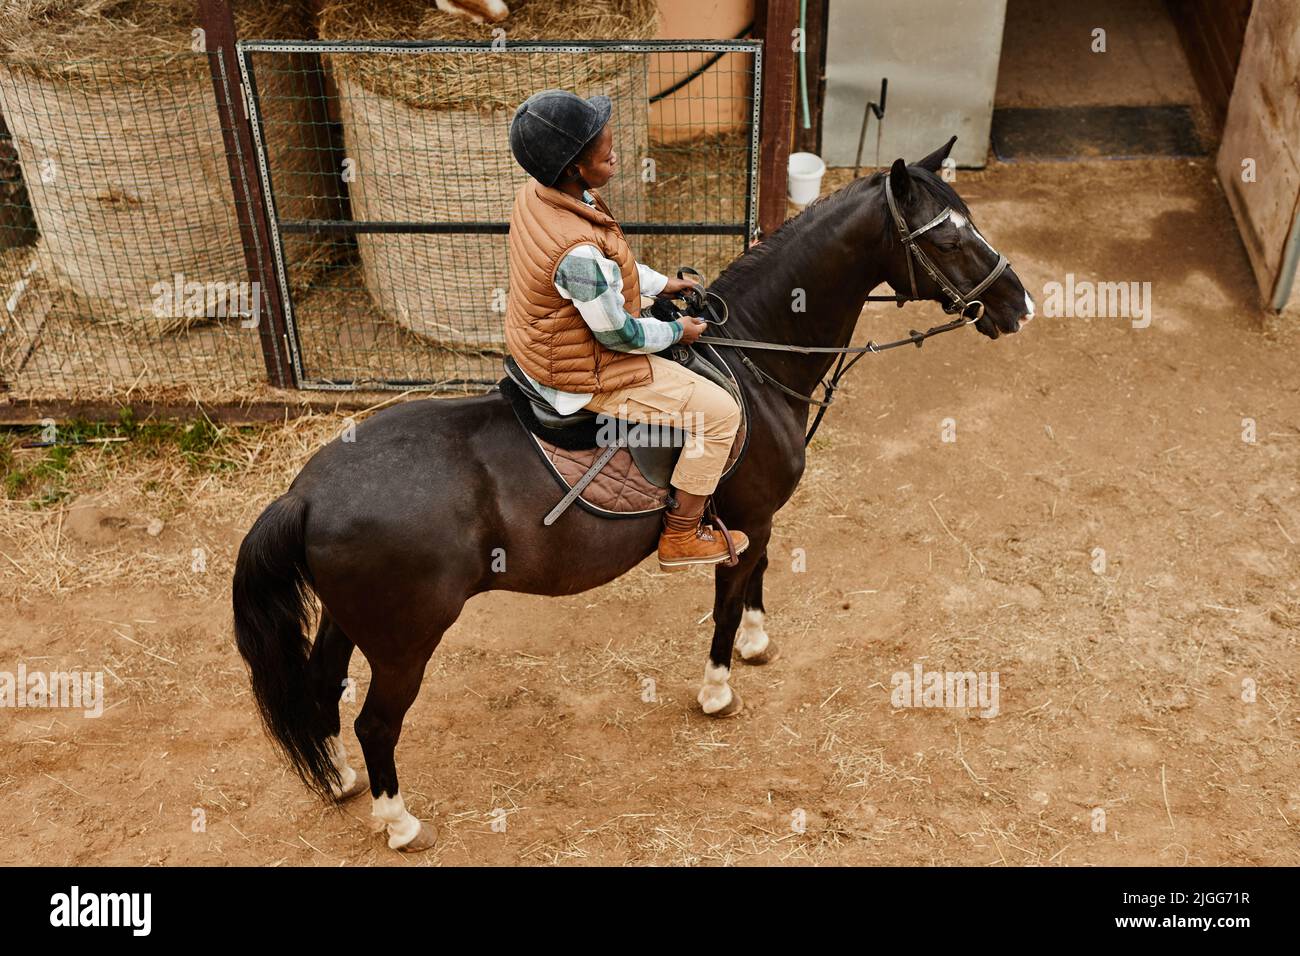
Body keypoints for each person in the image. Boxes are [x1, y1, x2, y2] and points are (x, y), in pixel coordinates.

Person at [506, 89, 748, 570]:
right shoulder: (576, 253)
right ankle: (682, 536)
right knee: (720, 414)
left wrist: (663, 284)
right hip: (581, 372)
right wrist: (678, 332)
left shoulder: (543, 193)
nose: (614, 152)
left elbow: (614, 272)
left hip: (541, 344)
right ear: (575, 167)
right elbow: (618, 335)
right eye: (604, 148)